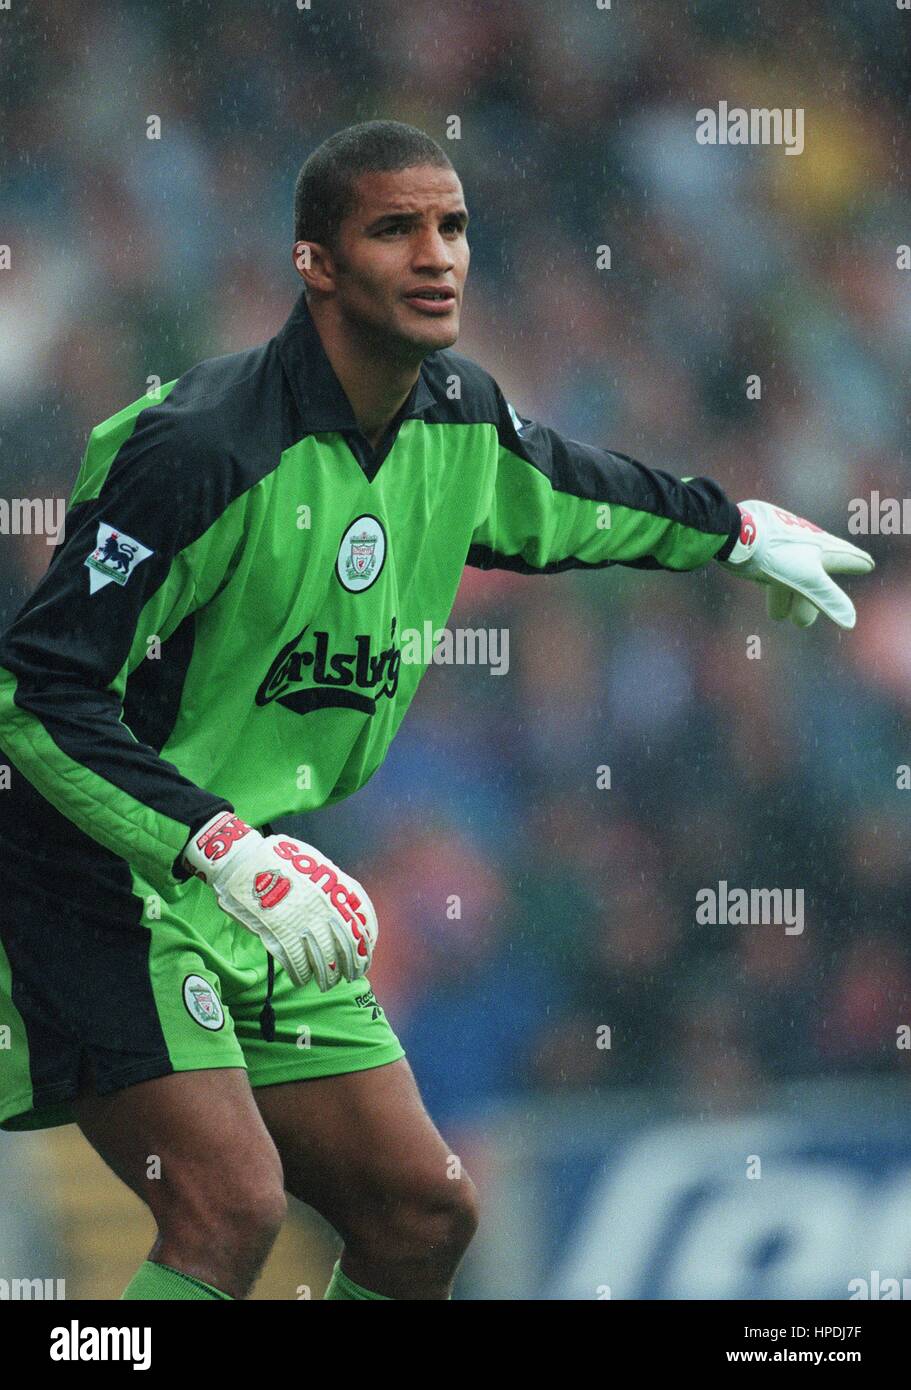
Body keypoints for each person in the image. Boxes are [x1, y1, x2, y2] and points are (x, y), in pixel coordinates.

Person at [0, 120, 874, 1301]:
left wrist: (731, 528)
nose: (435, 255)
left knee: (422, 1216)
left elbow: (568, 486)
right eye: (393, 228)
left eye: (452, 226)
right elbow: (38, 695)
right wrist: (214, 846)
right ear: (313, 261)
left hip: (256, 876)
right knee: (228, 1203)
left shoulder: (458, 414)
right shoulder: (197, 448)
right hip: (102, 871)